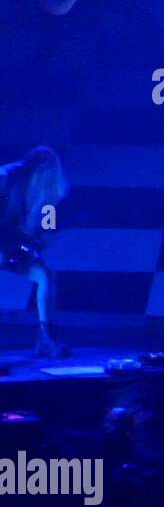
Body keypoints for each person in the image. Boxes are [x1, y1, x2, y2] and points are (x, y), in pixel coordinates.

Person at [0, 146, 71, 356]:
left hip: (12, 242)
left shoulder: (49, 195)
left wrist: (37, 243)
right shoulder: (7, 176)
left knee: (45, 274)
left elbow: (48, 228)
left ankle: (46, 338)